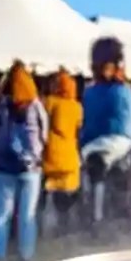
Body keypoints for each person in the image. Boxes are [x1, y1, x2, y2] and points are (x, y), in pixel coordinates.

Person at [0, 61, 46, 261]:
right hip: (30, 168)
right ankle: (26, 256)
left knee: (1, 215)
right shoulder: (34, 104)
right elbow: (44, 130)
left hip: (1, 167)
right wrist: (35, 154)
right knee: (27, 215)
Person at [80, 37, 131, 229]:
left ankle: (100, 217)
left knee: (100, 172)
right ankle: (100, 217)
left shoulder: (119, 90)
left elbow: (121, 123)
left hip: (109, 142)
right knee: (101, 175)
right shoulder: (96, 91)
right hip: (104, 142)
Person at [41, 68, 82, 236]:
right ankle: (64, 228)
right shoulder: (77, 106)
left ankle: (41, 229)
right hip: (70, 156)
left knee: (43, 194)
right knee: (64, 197)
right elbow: (78, 128)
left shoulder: (49, 102)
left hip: (50, 154)